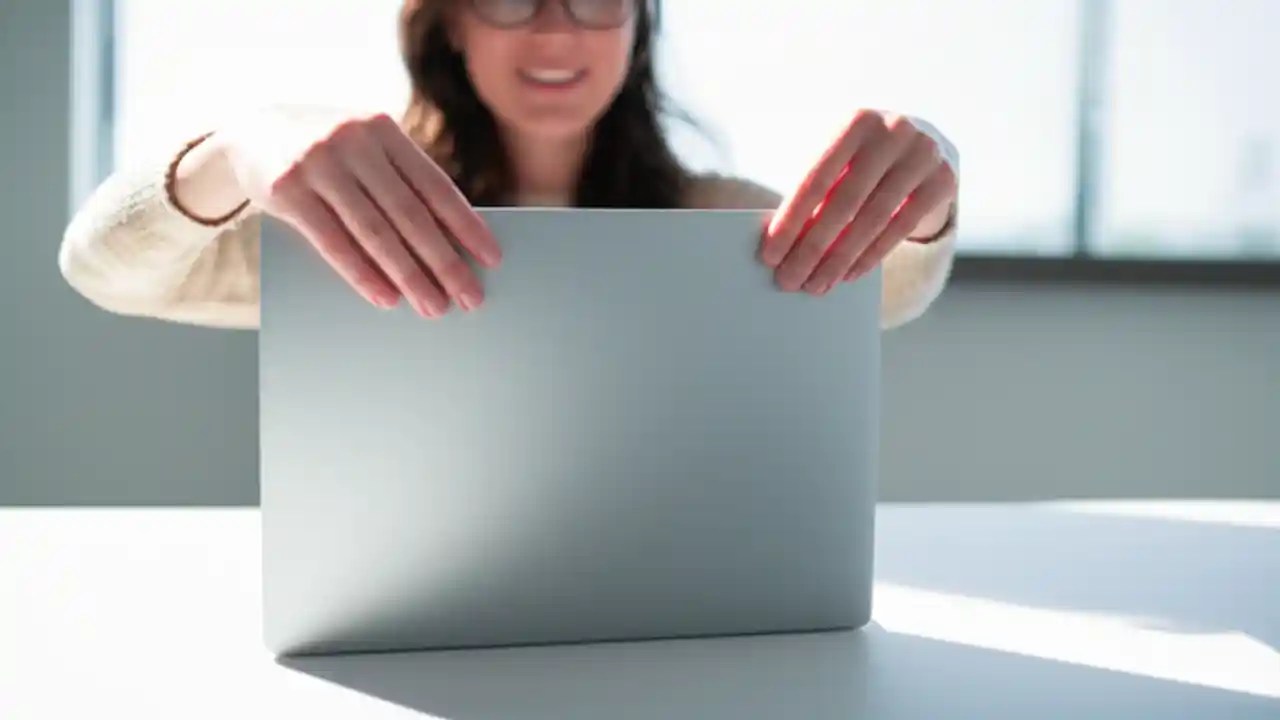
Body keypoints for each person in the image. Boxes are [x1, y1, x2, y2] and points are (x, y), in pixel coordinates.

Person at [59, 0, 960, 331]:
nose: (557, 28)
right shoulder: (352, 218)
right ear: (449, 22)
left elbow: (886, 294)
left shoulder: (709, 217)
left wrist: (930, 182)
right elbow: (102, 270)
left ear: (641, 24)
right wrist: (236, 148)